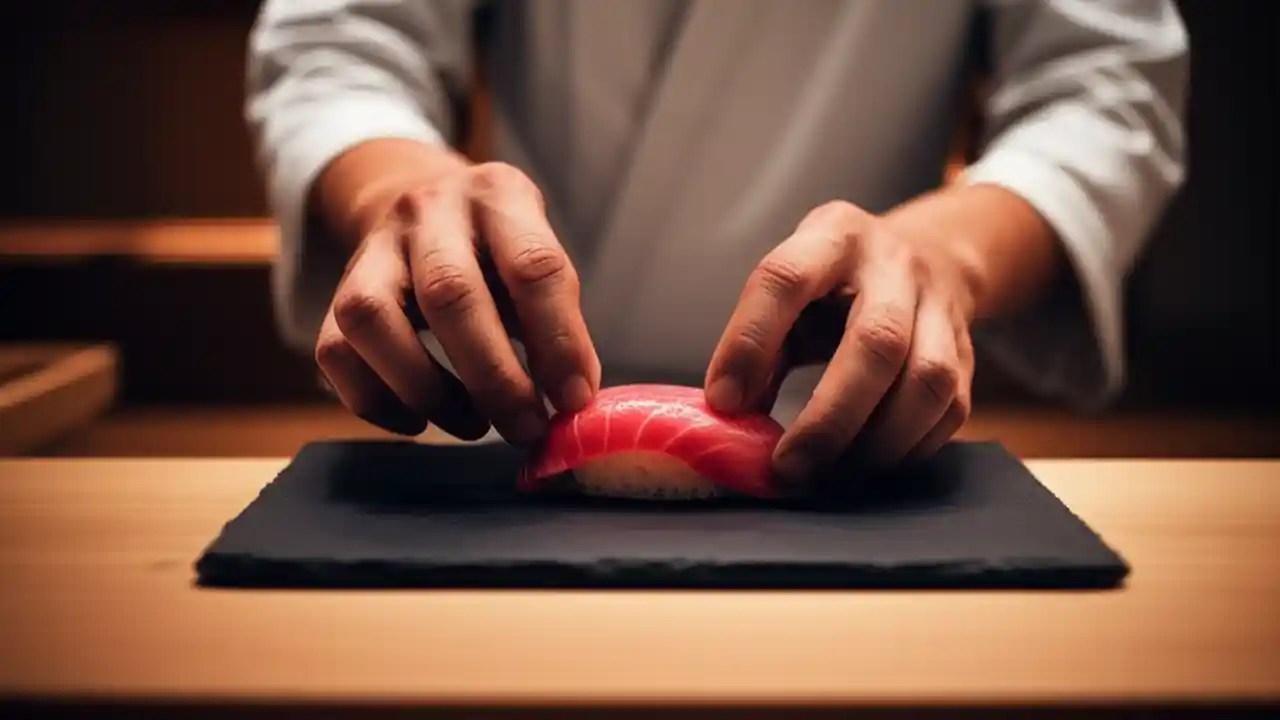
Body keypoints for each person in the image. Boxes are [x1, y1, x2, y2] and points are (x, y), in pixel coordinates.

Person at [247, 1, 1187, 486]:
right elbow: (343, 42)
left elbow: (1105, 88)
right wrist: (398, 189)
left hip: (849, 422)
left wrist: (950, 252)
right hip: (509, 413)